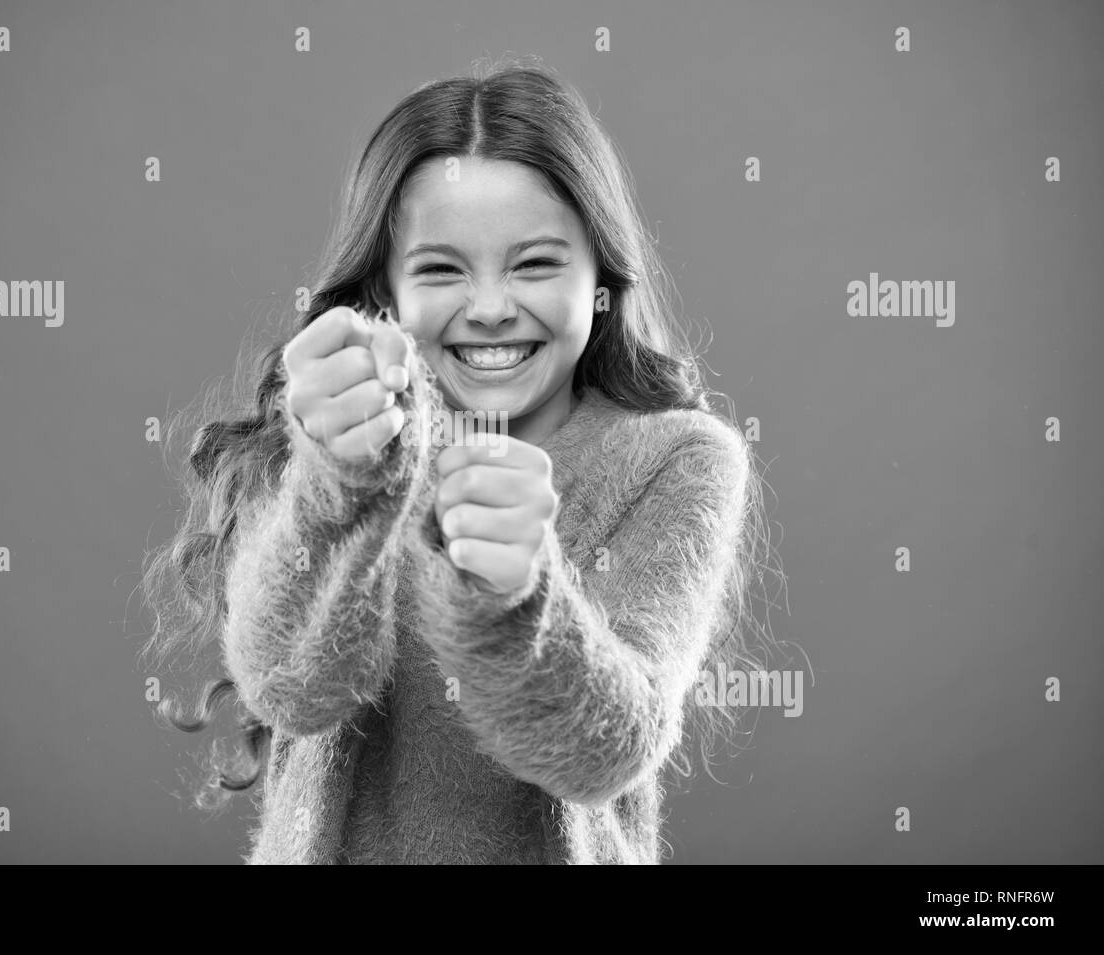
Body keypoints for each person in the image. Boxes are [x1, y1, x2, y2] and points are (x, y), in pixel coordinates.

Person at [140, 58, 782, 864]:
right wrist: (336, 488)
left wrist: (521, 595)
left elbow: (607, 751)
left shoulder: (680, 460)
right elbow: (292, 692)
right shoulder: (335, 432)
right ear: (387, 288)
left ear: (602, 279)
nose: (487, 308)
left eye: (536, 263)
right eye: (442, 268)